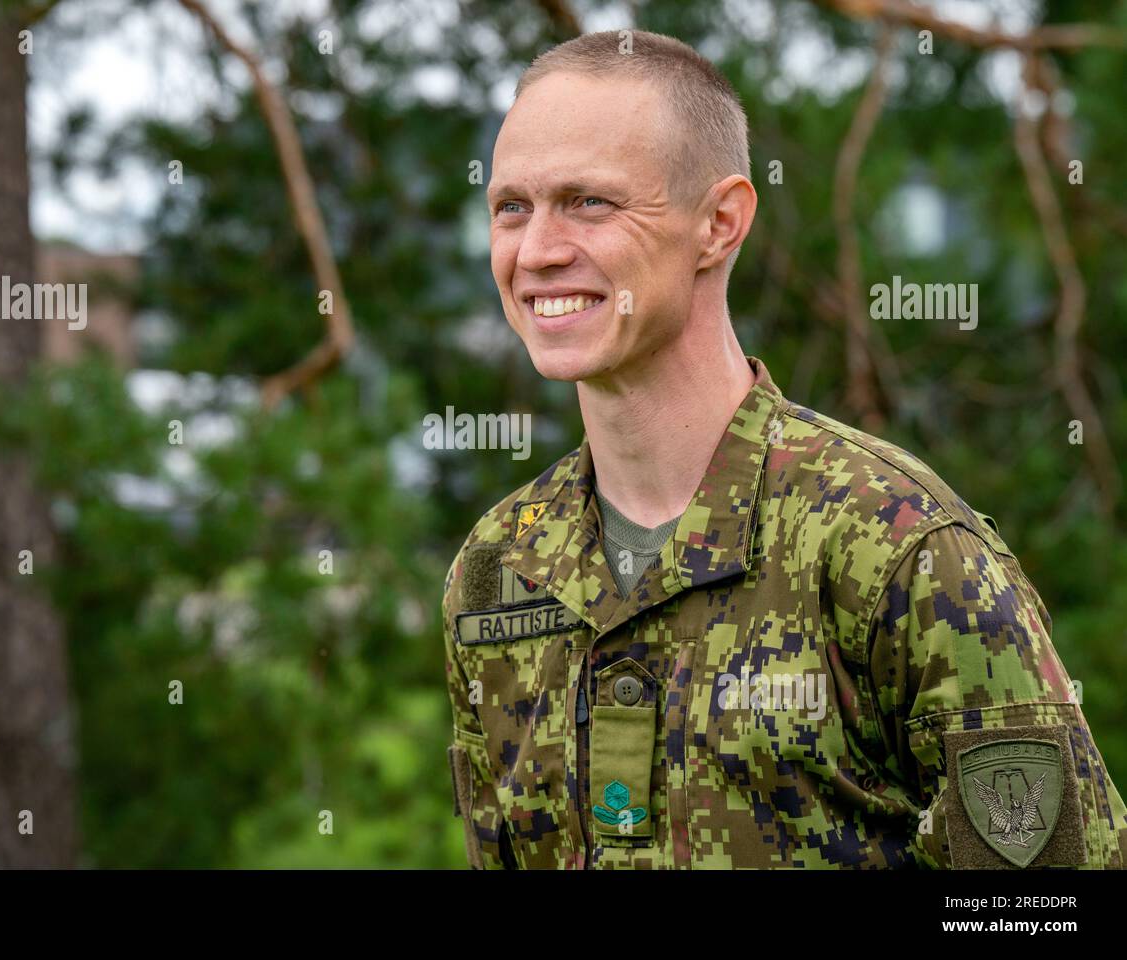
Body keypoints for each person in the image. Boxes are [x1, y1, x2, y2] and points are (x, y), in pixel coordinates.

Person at [441, 29, 1126, 869]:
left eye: (590, 202)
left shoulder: (893, 544)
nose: (537, 251)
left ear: (720, 223)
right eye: (512, 206)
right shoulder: (498, 571)